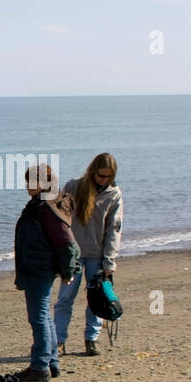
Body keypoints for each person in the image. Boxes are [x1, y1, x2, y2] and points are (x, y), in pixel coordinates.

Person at [14, 164, 80, 382]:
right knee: (43, 315)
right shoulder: (43, 204)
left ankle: (40, 365)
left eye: (31, 182)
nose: (27, 186)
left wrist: (68, 271)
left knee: (38, 317)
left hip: (39, 268)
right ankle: (51, 363)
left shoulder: (46, 207)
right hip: (38, 266)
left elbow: (67, 243)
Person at [53, 153, 123, 357]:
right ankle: (59, 340)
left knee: (97, 299)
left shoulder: (114, 194)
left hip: (97, 256)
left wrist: (109, 262)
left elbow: (114, 229)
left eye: (108, 177)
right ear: (93, 171)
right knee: (65, 298)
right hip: (72, 254)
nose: (104, 180)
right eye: (101, 175)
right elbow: (59, 218)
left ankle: (91, 339)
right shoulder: (73, 187)